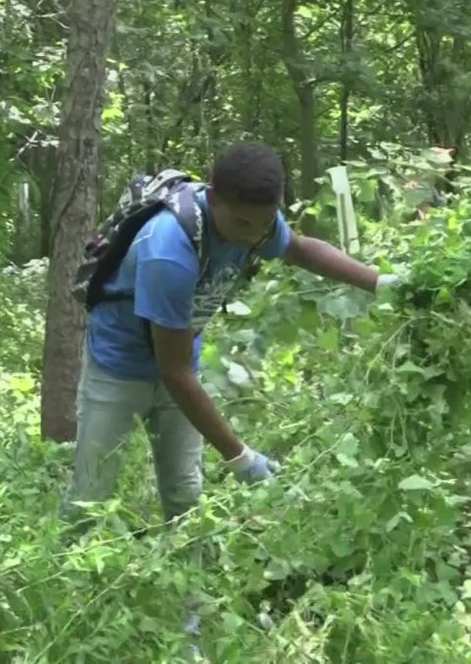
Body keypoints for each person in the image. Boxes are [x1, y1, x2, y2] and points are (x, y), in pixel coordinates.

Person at [62, 141, 399, 657]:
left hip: (178, 361)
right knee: (90, 493)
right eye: (242, 225)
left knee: (185, 499)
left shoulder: (256, 219)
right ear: (213, 197)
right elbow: (172, 372)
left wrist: (380, 282)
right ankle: (68, 614)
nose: (254, 237)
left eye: (263, 225)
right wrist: (240, 456)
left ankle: (187, 630)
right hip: (119, 368)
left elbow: (299, 248)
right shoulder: (168, 249)